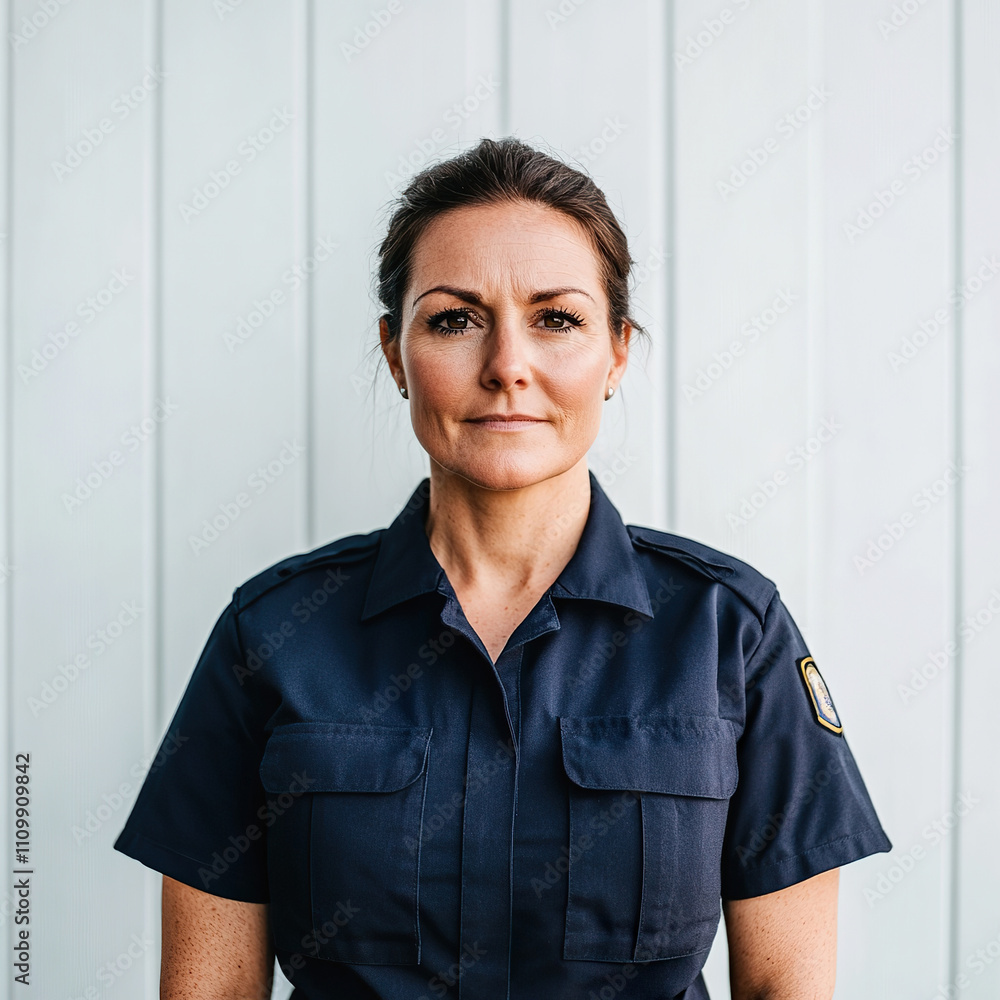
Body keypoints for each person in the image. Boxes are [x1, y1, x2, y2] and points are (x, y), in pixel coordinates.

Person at [114, 136, 891, 1000]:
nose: (507, 367)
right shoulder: (271, 634)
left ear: (618, 351)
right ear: (393, 352)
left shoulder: (730, 632)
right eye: (454, 319)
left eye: (556, 318)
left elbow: (787, 986)